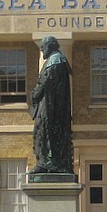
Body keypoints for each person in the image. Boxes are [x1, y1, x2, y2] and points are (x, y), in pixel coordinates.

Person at [29, 36, 74, 174]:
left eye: (43, 46)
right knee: (46, 132)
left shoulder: (55, 62)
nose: (41, 48)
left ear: (51, 45)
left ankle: (47, 163)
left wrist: (34, 95)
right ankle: (49, 163)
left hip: (50, 107)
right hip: (53, 106)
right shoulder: (58, 60)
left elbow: (45, 82)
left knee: (42, 131)